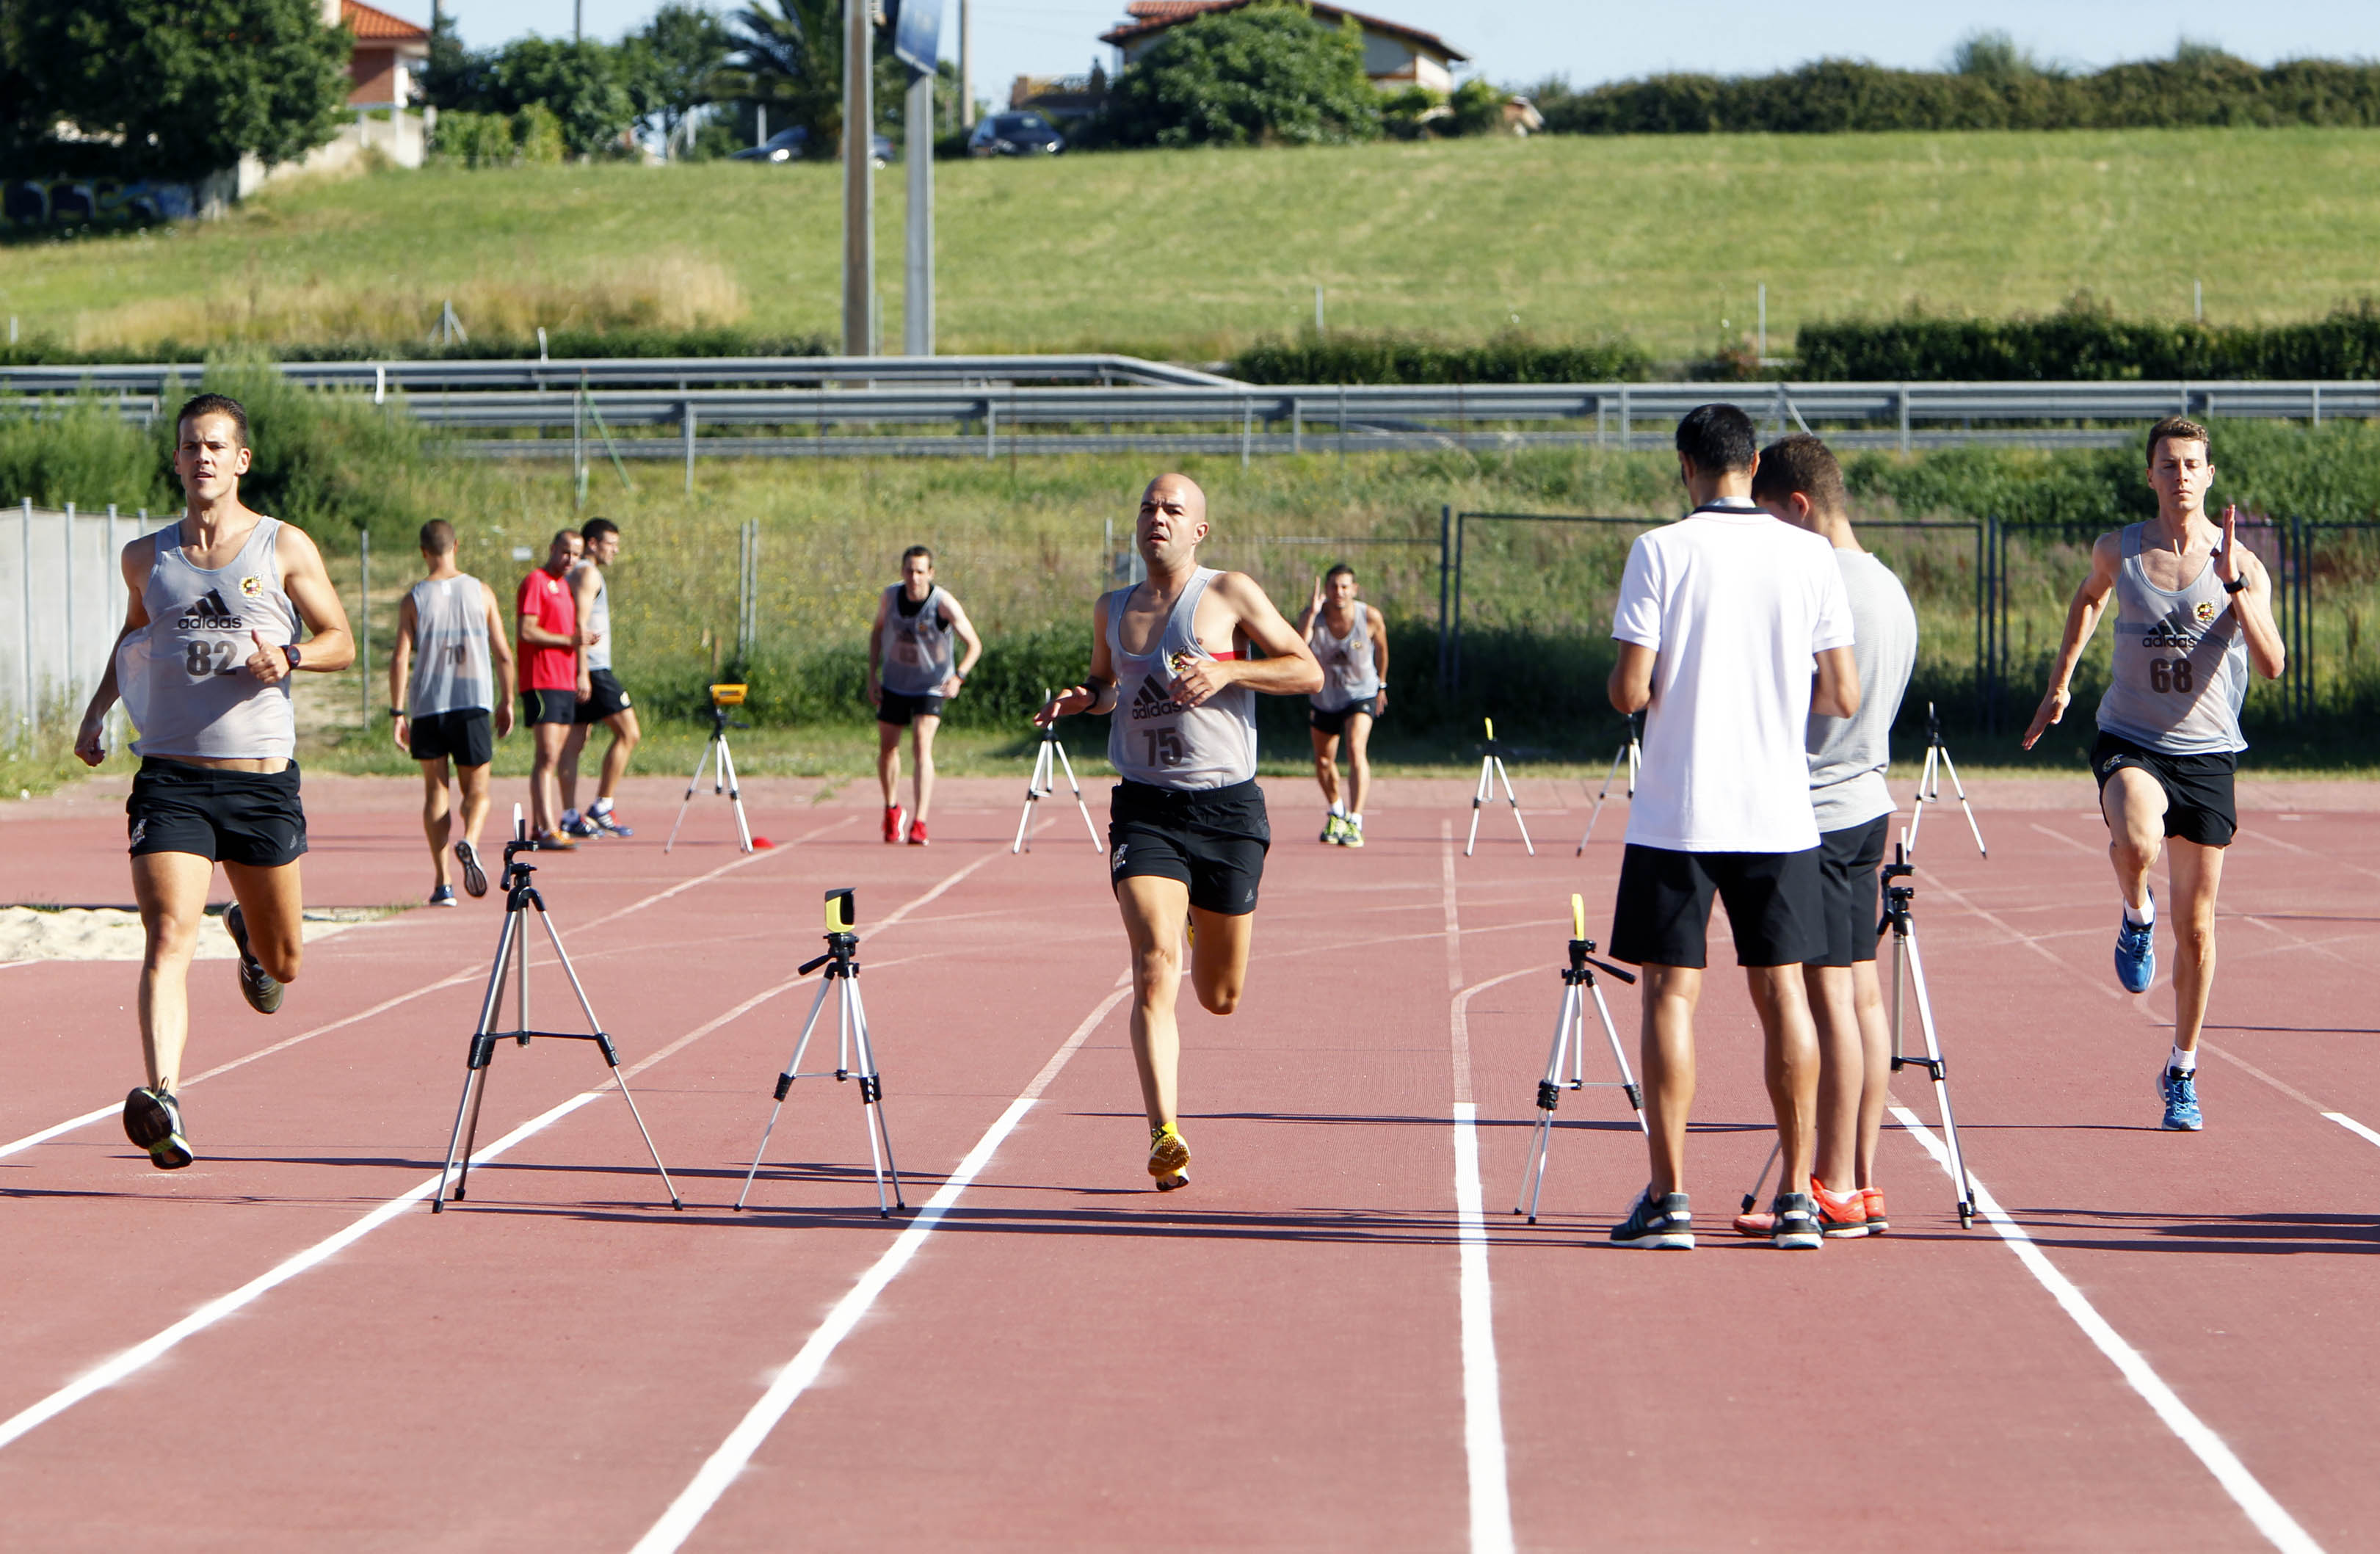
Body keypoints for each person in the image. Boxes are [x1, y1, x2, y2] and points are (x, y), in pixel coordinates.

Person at [72, 392, 357, 1169]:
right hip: (171, 778)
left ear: (241, 460)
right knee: (168, 934)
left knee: (286, 961)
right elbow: (134, 636)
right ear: (176, 459)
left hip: (260, 785)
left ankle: (253, 946)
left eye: (216, 446)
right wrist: (96, 711)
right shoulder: (146, 558)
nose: (203, 457)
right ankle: (163, 1098)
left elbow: (340, 639)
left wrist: (292, 655)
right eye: (191, 445)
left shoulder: (282, 545)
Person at [1603, 404, 1860, 1252]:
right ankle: (1795, 1198)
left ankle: (1668, 1196)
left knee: (1668, 993)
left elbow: (1629, 689)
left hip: (1677, 807)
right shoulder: (1808, 554)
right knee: (1782, 991)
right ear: (1753, 465)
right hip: (1776, 808)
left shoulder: (1659, 549)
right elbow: (1842, 692)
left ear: (1685, 466)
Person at [1035, 474, 1321, 1190]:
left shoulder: (1228, 593)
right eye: (1147, 507)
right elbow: (1109, 686)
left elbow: (1307, 670)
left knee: (1219, 995)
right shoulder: (1111, 608)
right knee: (1154, 962)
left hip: (1226, 812)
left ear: (1199, 530)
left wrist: (1229, 674)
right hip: (1146, 810)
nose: (1156, 517)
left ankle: (1195, 914)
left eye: (1172, 509)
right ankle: (1164, 1134)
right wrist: (1085, 698)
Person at [2021, 416, 2285, 1132]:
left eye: (2191, 464)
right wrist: (2059, 684)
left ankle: (2181, 1068)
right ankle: (2135, 912)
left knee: (2195, 931)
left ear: (2209, 475)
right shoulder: (2120, 549)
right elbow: (2087, 597)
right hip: (2131, 738)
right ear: (2150, 475)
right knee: (2136, 836)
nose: (2180, 476)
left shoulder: (2241, 563)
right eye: (2168, 464)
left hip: (2206, 753)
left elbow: (2271, 664)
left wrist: (2234, 586)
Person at [1740, 435, 1916, 1240]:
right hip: (1866, 797)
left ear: (1799, 507)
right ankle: (1859, 1179)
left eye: (1768, 518)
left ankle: (1832, 1181)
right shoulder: (1888, 586)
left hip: (1813, 807)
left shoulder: (1816, 584)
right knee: (1861, 992)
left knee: (1824, 1000)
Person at [389, 520, 516, 906]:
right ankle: (471, 840)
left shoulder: (413, 599)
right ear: (456, 546)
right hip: (472, 701)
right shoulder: (481, 592)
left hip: (429, 705)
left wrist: (397, 712)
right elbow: (503, 653)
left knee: (436, 792)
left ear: (423, 551)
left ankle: (443, 881)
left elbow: (400, 658)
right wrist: (508, 700)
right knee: (477, 792)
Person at [866, 545, 982, 846]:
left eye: (920, 571)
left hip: (931, 685)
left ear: (930, 573)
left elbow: (974, 644)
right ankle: (892, 809)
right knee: (888, 748)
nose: (914, 577)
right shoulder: (890, 597)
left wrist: (959, 677)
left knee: (921, 745)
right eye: (909, 571)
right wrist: (872, 674)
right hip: (895, 682)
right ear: (902, 571)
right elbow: (877, 632)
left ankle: (920, 821)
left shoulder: (943, 604)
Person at [1294, 563, 1388, 847]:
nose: (1339, 592)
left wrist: (1382, 684)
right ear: (1326, 590)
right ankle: (1337, 812)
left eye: (1345, 586)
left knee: (1356, 747)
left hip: (1361, 693)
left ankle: (1356, 821)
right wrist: (1311, 615)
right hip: (1325, 696)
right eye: (1334, 586)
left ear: (1354, 589)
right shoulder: (1313, 617)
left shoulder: (1369, 616)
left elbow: (1382, 649)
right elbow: (1297, 648)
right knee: (1324, 760)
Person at [559, 517, 640, 839]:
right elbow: (579, 623)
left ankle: (570, 815)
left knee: (577, 740)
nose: (615, 550)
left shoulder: (584, 573)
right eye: (611, 544)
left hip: (587, 668)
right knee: (629, 733)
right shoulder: (587, 573)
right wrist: (582, 673)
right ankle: (602, 806)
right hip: (591, 669)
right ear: (592, 544)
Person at [515, 529, 592, 849]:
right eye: (565, 552)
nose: (569, 559)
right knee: (547, 754)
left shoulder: (565, 587)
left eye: (576, 555)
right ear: (552, 549)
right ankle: (547, 826)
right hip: (541, 679)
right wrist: (568, 641)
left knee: (556, 754)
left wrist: (580, 671)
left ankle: (541, 824)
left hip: (563, 680)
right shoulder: (537, 581)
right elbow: (527, 630)